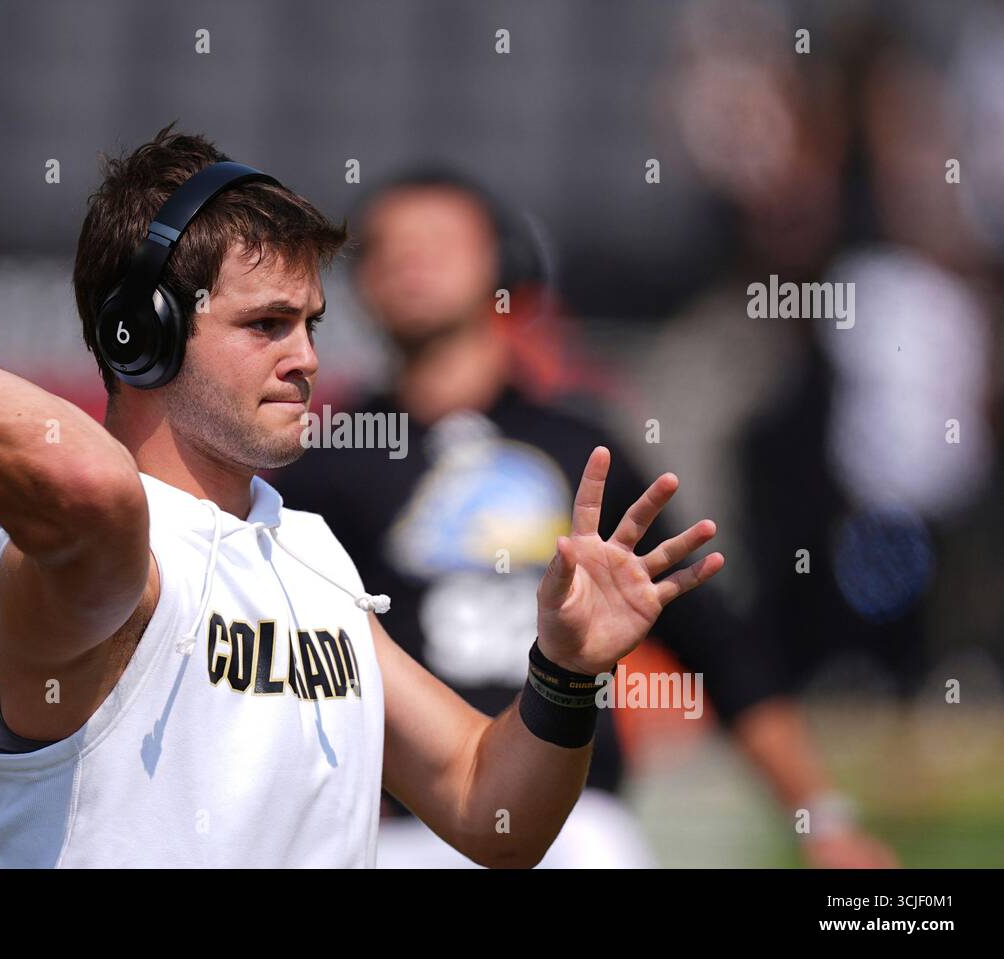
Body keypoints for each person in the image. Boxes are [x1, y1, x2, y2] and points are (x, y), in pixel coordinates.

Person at [0, 124, 724, 868]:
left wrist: (561, 669)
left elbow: (489, 810)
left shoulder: (313, 558)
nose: (307, 358)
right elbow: (85, 481)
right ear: (140, 334)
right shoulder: (90, 551)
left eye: (313, 322)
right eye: (267, 323)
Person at [274, 168, 899, 868]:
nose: (414, 263)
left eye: (441, 242)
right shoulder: (323, 464)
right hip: (399, 824)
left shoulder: (583, 445)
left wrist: (824, 819)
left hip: (576, 821)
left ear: (501, 264)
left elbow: (720, 649)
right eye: (390, 247)